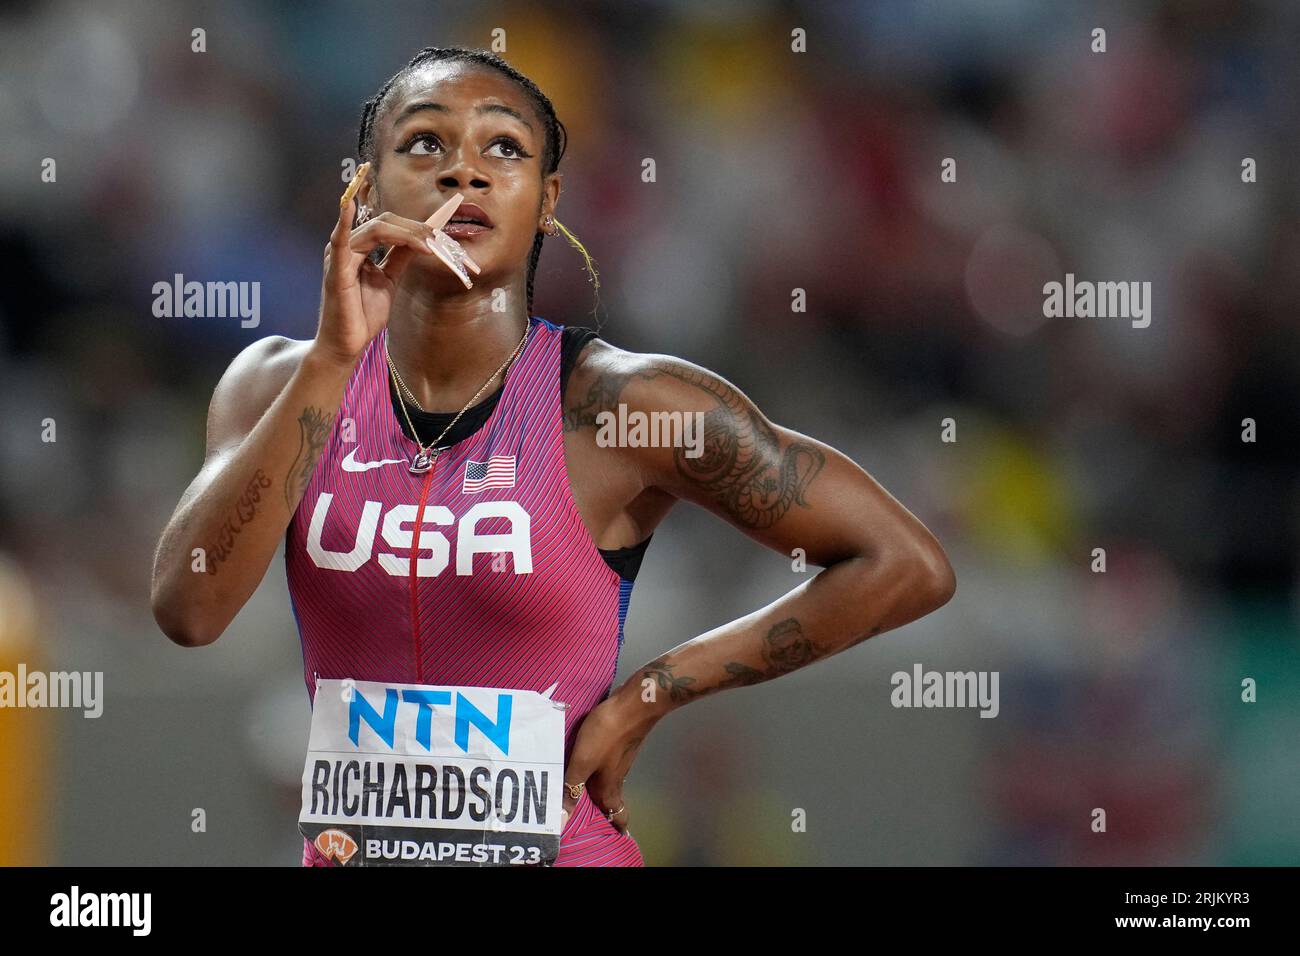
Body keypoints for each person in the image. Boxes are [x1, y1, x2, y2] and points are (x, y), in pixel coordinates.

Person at [150, 47, 956, 867]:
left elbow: (904, 563)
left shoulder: (618, 406)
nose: (464, 170)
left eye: (503, 148)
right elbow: (190, 610)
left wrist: (654, 691)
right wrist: (331, 362)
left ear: (548, 201)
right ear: (362, 186)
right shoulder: (277, 384)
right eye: (424, 142)